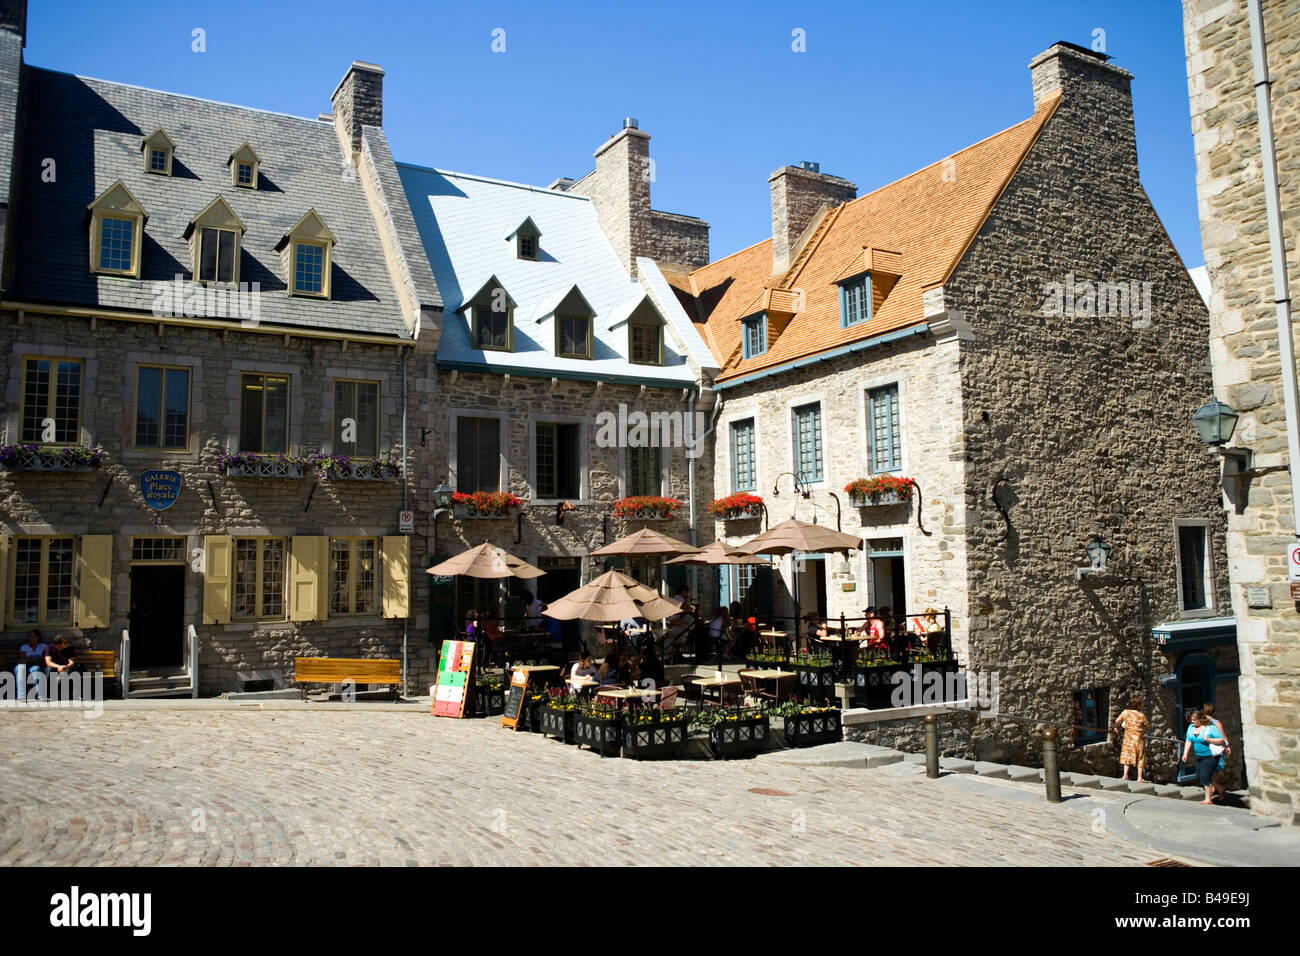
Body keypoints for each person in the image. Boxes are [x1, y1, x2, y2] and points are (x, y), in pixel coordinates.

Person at [1181, 710, 1228, 806]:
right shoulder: (1191, 728)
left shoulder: (1210, 728)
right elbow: (1189, 740)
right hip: (1199, 755)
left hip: (1210, 756)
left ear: (1201, 719)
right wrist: (1185, 754)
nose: (1192, 722)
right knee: (1199, 775)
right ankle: (1221, 789)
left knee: (1205, 776)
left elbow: (1221, 739)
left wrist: (1209, 739)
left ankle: (1208, 799)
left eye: (1195, 720)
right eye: (1192, 720)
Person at [1112, 695, 1150, 783]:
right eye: (1141, 704)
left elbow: (1117, 721)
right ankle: (1139, 777)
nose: (1141, 706)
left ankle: (1125, 775)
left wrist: (1116, 728)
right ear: (1138, 705)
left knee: (1127, 756)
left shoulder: (1125, 712)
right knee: (1140, 757)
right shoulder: (1141, 716)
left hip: (1128, 739)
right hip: (1138, 739)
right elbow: (1148, 726)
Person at [1203, 703, 1231, 801]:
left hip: (1210, 751)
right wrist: (1228, 746)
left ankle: (1219, 790)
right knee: (1211, 775)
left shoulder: (1202, 722)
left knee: (1209, 775)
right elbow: (1224, 736)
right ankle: (1218, 792)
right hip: (1215, 750)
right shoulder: (1216, 722)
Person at [14, 629, 47, 701]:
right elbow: (23, 660)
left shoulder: (43, 646)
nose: (30, 638)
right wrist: (34, 659)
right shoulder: (24, 647)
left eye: (32, 636)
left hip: (35, 666)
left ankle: (40, 695)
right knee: (19, 669)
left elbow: (47, 656)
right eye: (29, 636)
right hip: (25, 665)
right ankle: (21, 696)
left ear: (37, 638)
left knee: (36, 669)